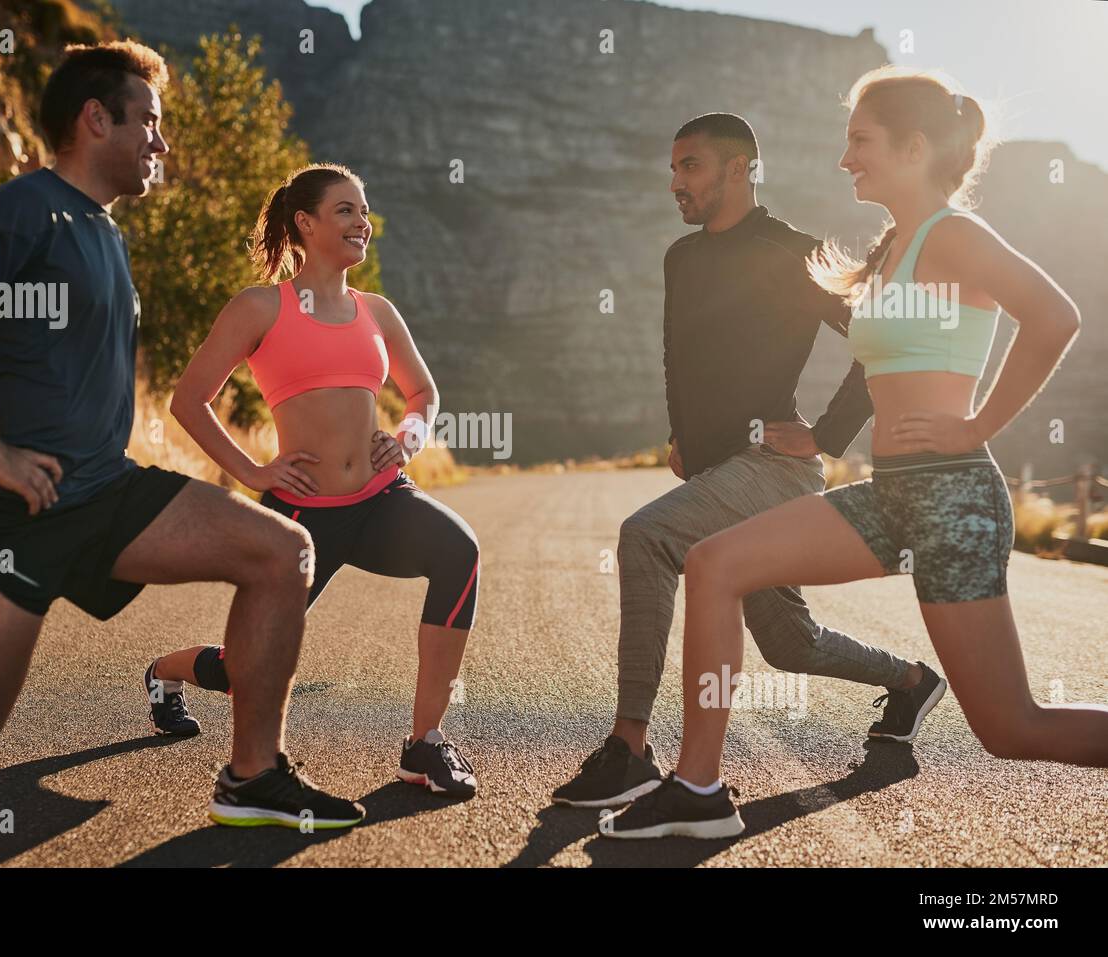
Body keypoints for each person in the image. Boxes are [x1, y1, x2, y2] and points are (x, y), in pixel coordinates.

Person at [0, 41, 366, 831]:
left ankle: (253, 775)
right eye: (150, 123)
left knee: (282, 554)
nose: (161, 144)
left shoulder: (102, 230)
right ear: (95, 119)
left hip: (105, 491)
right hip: (14, 509)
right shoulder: (25, 207)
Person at [608, 68, 1107, 841]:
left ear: (913, 148)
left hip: (952, 499)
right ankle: (699, 787)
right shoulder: (894, 246)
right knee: (714, 563)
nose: (845, 159)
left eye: (860, 142)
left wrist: (976, 425)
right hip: (890, 494)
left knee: (1011, 728)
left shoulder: (953, 234)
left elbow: (1054, 315)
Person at [552, 113, 941, 811]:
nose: (676, 182)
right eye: (672, 169)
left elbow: (884, 334)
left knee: (645, 536)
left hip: (772, 469)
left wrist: (826, 434)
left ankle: (631, 749)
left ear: (739, 170)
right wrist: (683, 439)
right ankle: (912, 682)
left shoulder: (794, 253)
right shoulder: (683, 257)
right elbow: (679, 355)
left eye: (690, 166)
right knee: (790, 642)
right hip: (716, 473)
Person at [142, 163, 482, 802]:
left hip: (381, 500)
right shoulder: (259, 306)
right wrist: (251, 472)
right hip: (302, 516)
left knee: (459, 552)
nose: (363, 223)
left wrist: (406, 440)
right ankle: (166, 671)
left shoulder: (376, 310)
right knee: (245, 670)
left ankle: (425, 744)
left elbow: (423, 392)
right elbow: (189, 400)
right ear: (306, 223)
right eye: (347, 211)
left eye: (365, 210)